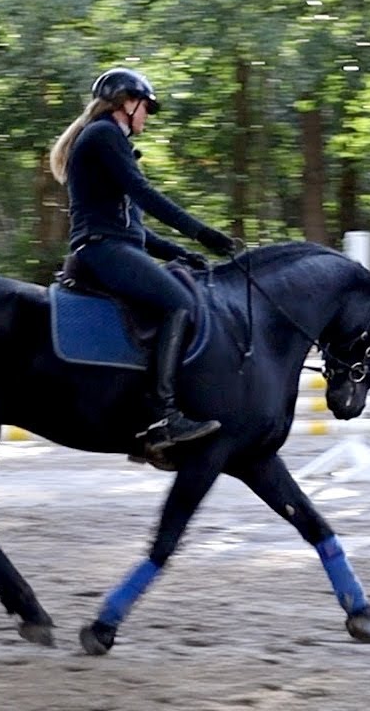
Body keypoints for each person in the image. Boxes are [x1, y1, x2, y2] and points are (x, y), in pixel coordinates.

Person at [49, 67, 236, 453]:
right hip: (102, 251)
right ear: (127, 103)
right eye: (146, 107)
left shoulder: (107, 141)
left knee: (177, 290)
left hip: (114, 246)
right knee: (180, 303)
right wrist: (201, 231)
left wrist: (180, 252)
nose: (147, 115)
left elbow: (134, 227)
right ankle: (163, 414)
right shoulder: (103, 134)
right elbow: (144, 194)